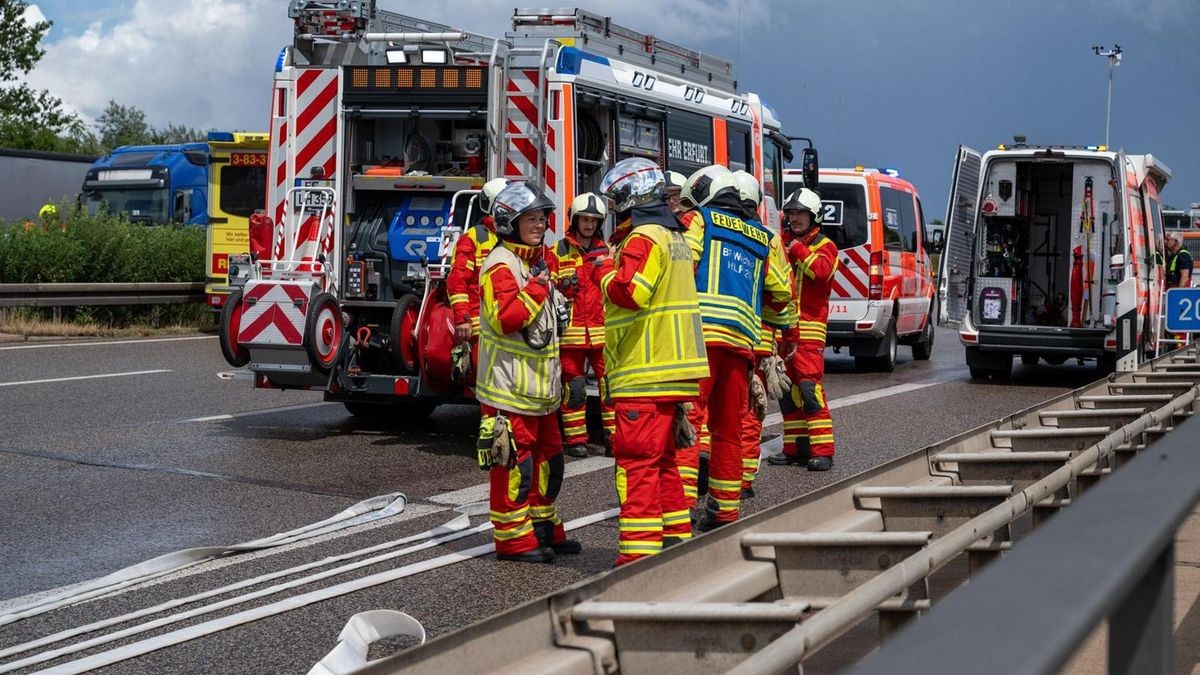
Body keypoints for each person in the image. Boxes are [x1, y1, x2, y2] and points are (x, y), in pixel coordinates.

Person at [597, 157, 709, 565]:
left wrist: (603, 272)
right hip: (674, 371)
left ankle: (638, 558)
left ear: (630, 199)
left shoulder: (643, 238)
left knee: (637, 465)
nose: (613, 211)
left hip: (643, 372)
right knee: (663, 463)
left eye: (616, 202)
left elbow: (631, 293)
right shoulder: (674, 236)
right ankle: (677, 539)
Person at [683, 167, 796, 530]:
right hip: (741, 346)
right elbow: (781, 293)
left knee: (687, 423)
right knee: (728, 430)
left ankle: (681, 509)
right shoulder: (763, 237)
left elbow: (682, 263)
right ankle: (724, 511)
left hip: (699, 340)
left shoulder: (702, 221)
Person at [476, 181, 578, 563]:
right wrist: (537, 291)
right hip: (509, 391)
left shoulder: (536, 261)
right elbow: (505, 319)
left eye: (542, 218)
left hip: (541, 391)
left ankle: (543, 528)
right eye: (530, 219)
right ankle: (513, 541)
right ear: (509, 222)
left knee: (549, 463)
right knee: (513, 468)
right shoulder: (500, 264)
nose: (539, 225)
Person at [767, 187, 839, 472]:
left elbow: (821, 273)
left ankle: (823, 450)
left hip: (809, 331)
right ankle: (796, 447)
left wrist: (796, 249)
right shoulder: (781, 242)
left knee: (809, 390)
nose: (795, 218)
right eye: (792, 213)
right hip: (783, 330)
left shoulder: (825, 246)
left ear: (814, 216)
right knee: (787, 393)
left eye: (801, 213)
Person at [552, 193, 615, 458]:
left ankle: (615, 439)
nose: (589, 224)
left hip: (603, 334)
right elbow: (550, 289)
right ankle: (576, 440)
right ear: (574, 219)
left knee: (611, 389)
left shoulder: (609, 251)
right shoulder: (558, 251)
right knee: (575, 390)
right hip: (571, 335)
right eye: (584, 219)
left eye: (593, 220)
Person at [446, 178, 512, 359]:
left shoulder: (515, 237)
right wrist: (462, 319)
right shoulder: (474, 238)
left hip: (510, 329)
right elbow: (457, 280)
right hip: (479, 329)